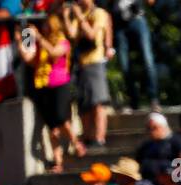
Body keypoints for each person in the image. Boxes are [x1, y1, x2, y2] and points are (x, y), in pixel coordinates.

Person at [19, 13, 85, 173]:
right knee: (52, 127)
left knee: (61, 117)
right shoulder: (41, 41)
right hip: (43, 85)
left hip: (60, 84)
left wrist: (40, 38)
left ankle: (76, 143)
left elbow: (55, 54)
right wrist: (23, 39)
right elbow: (30, 60)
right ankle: (58, 162)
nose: (43, 27)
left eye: (46, 25)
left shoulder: (63, 41)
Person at [65, 0, 114, 148]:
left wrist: (80, 17)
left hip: (95, 62)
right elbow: (72, 34)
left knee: (98, 103)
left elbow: (92, 34)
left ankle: (99, 138)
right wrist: (66, 16)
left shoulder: (99, 13)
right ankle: (88, 137)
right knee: (84, 105)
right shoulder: (80, 14)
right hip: (80, 65)